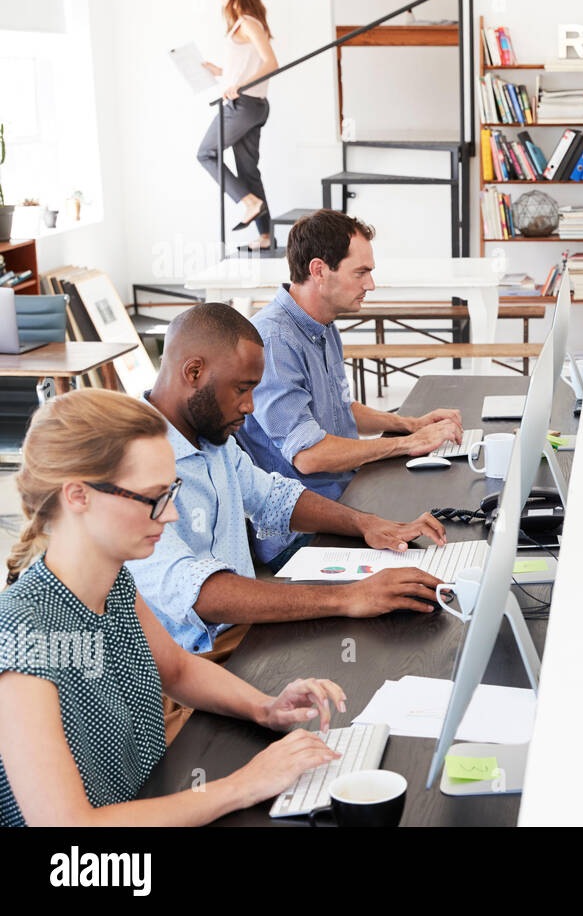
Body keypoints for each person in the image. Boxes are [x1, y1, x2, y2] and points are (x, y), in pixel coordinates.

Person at [0, 390, 344, 826]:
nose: (171, 516)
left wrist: (266, 708)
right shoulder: (21, 631)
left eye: (172, 494)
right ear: (77, 496)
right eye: (153, 498)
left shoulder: (115, 582)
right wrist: (245, 784)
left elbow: (177, 670)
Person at [127, 303, 448, 738]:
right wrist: (346, 597)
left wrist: (366, 523)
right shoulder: (134, 463)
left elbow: (272, 496)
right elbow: (200, 592)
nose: (250, 405)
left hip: (242, 636)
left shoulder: (211, 435)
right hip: (188, 677)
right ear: (194, 372)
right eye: (242, 388)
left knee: (379, 667)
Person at [239, 209, 464, 564]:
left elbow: (341, 408)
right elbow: (309, 456)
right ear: (318, 271)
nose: (370, 284)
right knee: (435, 554)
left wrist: (411, 425)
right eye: (361, 272)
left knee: (454, 511)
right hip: (304, 535)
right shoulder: (275, 341)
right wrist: (405, 445)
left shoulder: (323, 324)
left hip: (347, 496)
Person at [196, 0, 278, 252]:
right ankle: (266, 237)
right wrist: (220, 71)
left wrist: (239, 85)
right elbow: (247, 65)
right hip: (251, 105)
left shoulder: (247, 23)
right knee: (248, 171)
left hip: (243, 106)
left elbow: (270, 63)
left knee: (206, 153)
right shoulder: (241, 24)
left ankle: (248, 201)